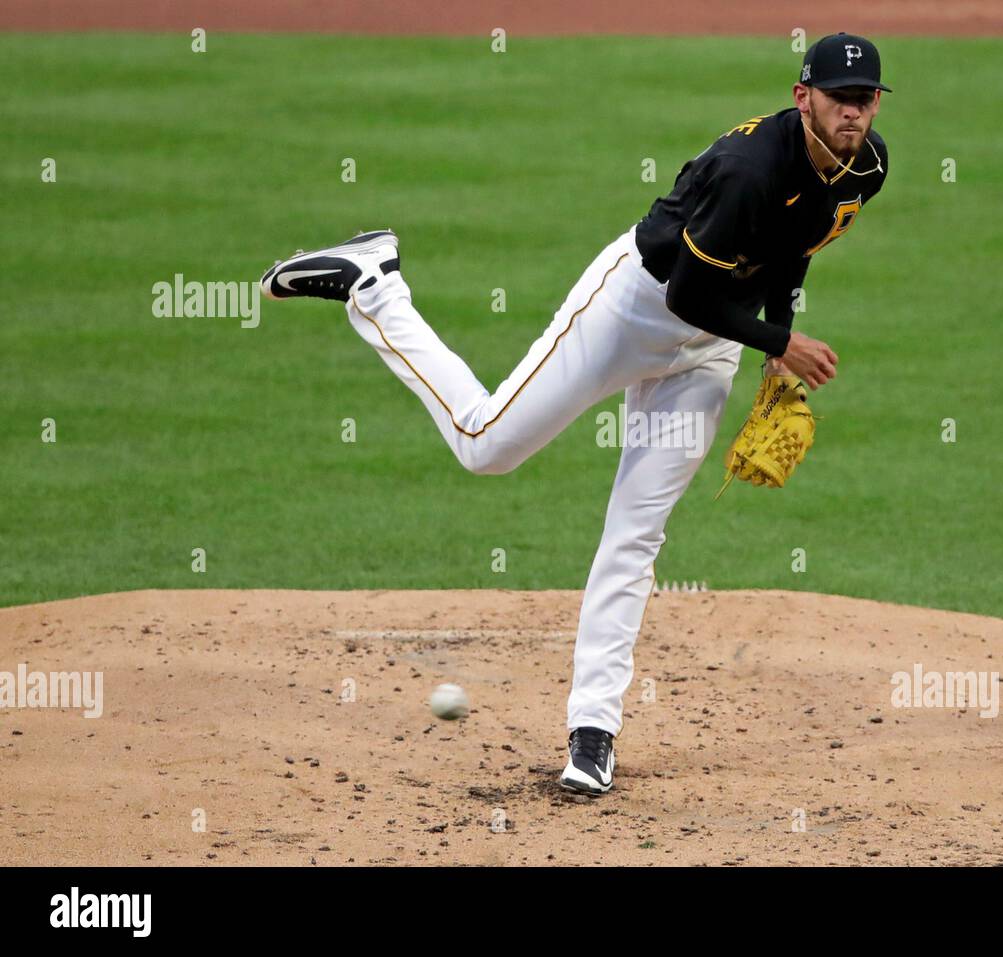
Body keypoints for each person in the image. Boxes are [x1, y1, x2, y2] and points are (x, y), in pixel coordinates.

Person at [259, 32, 890, 794]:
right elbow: (690, 292)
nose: (853, 113)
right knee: (485, 445)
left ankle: (593, 734)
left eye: (865, 99)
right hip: (634, 309)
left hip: (709, 351)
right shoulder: (746, 168)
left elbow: (796, 246)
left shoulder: (870, 166)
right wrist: (782, 340)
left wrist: (769, 356)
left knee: (636, 532)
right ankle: (375, 284)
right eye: (838, 98)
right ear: (804, 98)